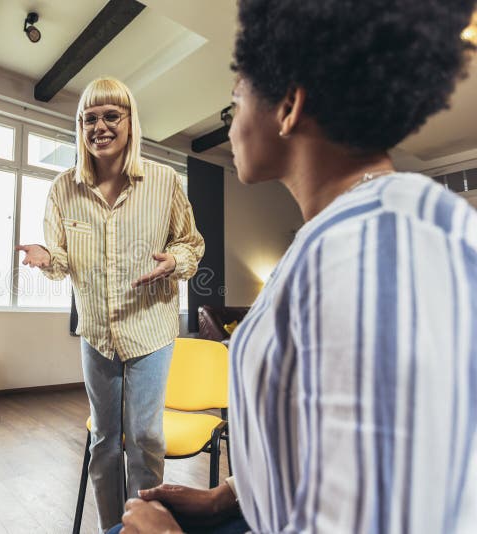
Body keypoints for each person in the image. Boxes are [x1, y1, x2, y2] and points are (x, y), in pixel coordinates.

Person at [116, 0, 477, 533]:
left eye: (233, 104)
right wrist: (231, 495)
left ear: (288, 105)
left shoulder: (376, 252)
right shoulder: (343, 234)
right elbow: (329, 437)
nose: (232, 125)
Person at [17, 77, 204, 531]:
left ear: (129, 122)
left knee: (144, 436)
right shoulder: (64, 189)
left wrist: (173, 262)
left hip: (151, 330)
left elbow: (192, 245)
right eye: (89, 119)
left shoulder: (163, 182)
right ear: (80, 127)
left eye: (110, 116)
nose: (99, 127)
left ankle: (144, 525)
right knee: (104, 440)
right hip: (97, 334)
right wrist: (47, 259)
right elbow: (62, 263)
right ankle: (111, 528)